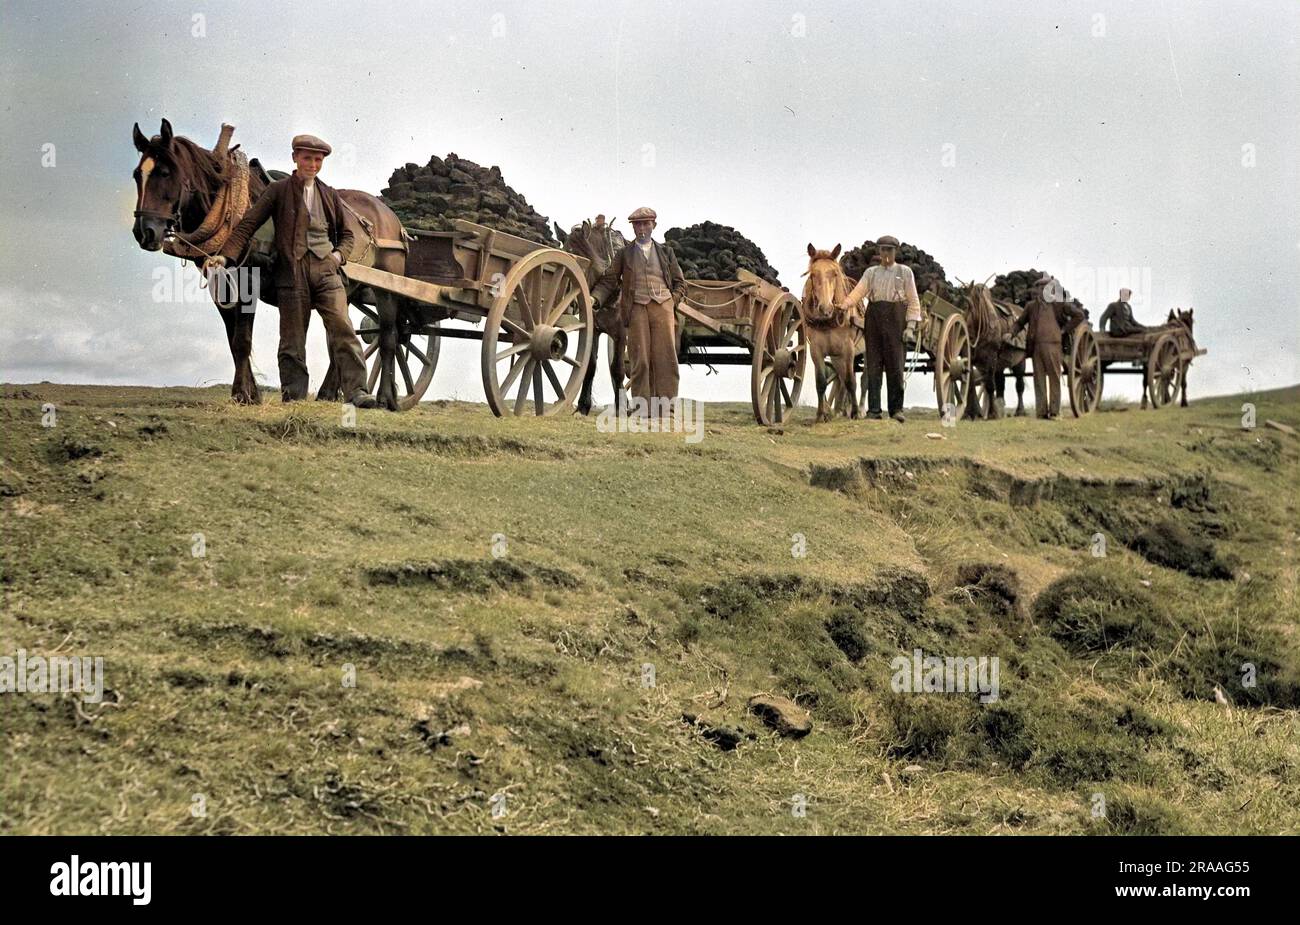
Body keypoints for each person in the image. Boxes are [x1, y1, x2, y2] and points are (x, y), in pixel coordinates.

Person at [206, 134, 375, 408]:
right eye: (307, 158)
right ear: (295, 158)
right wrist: (224, 258)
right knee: (292, 343)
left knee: (343, 330)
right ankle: (295, 400)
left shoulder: (329, 195)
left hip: (327, 274)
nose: (312, 164)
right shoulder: (278, 191)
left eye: (317, 160)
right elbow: (247, 226)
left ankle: (357, 392)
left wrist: (336, 256)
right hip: (292, 275)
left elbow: (347, 236)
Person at [590, 206, 687, 412]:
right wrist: (594, 299)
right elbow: (609, 280)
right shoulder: (624, 254)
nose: (641, 228)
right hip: (636, 309)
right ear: (633, 228)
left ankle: (667, 408)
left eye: (645, 223)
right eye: (637, 224)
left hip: (662, 308)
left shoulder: (666, 252)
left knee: (665, 358)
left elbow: (680, 283)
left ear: (654, 225)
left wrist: (671, 301)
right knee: (639, 359)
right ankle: (643, 408)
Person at [837, 236, 921, 422]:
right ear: (879, 252)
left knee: (896, 366)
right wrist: (845, 304)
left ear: (895, 252)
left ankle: (896, 410)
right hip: (874, 319)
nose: (886, 254)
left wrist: (910, 326)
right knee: (873, 366)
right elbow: (859, 291)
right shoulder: (871, 273)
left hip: (896, 319)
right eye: (883, 250)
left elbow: (914, 300)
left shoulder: (905, 272)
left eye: (889, 250)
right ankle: (874, 411)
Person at [1011, 275, 1086, 419]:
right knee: (1038, 379)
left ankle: (1055, 412)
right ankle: (1041, 412)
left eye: (1045, 288)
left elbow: (1079, 315)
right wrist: (1011, 333)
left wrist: (1064, 330)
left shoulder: (1059, 304)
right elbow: (1019, 323)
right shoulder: (1031, 306)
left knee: (1054, 377)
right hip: (1036, 347)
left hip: (1053, 345)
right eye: (1039, 288)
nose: (1041, 291)